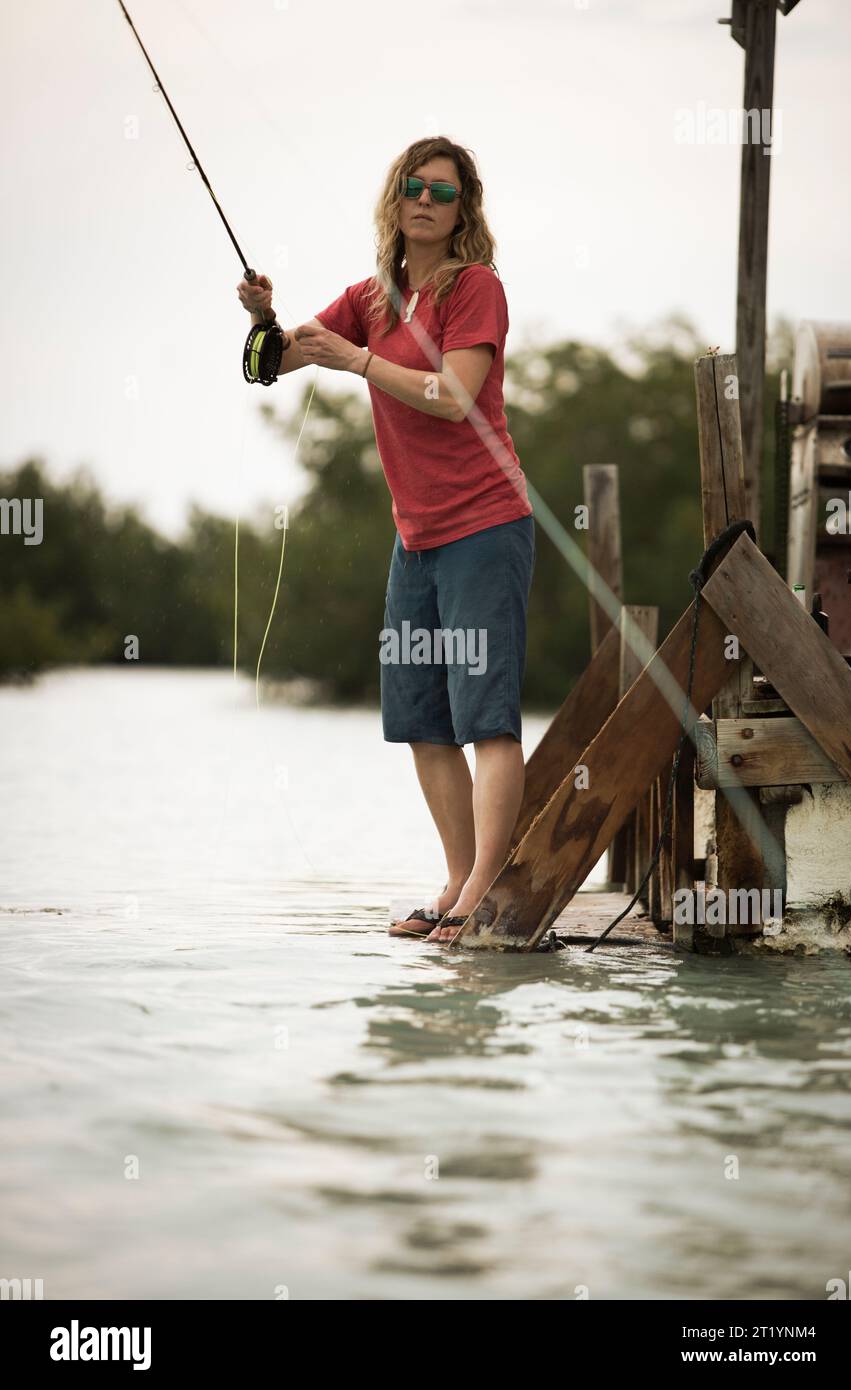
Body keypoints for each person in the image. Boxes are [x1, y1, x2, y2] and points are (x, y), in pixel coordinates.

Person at [237, 137, 534, 944]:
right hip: (417, 541)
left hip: (486, 525)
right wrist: (266, 320)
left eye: (441, 191)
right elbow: (272, 367)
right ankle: (454, 882)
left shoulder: (476, 289)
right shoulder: (369, 297)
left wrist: (362, 362)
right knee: (420, 720)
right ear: (394, 200)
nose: (424, 200)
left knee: (488, 721)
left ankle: (482, 894)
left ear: (462, 209)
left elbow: (454, 396)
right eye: (412, 186)